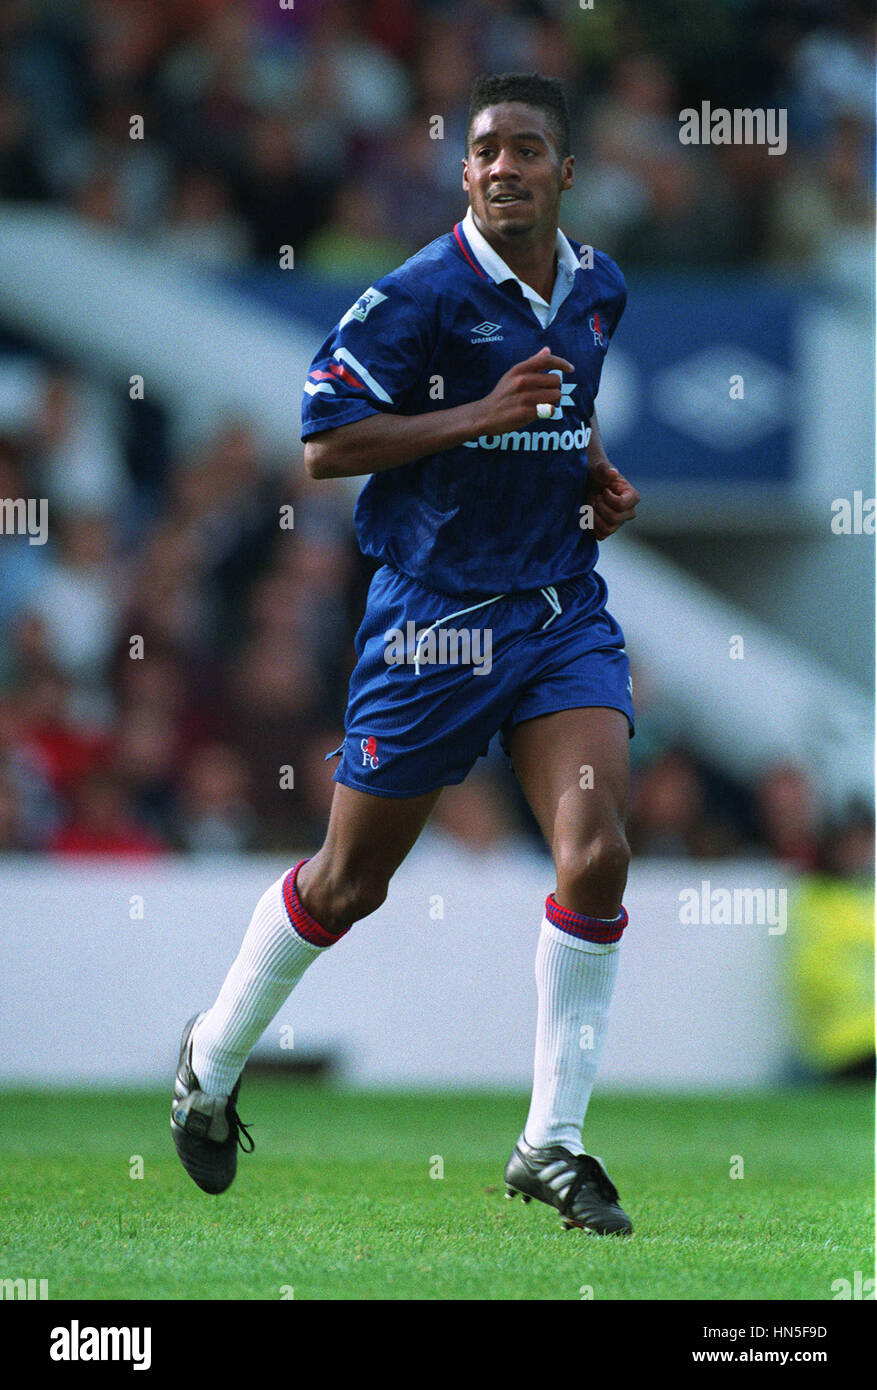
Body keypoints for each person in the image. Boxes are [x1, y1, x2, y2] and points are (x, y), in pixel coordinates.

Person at [171, 72, 640, 1236]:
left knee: (596, 855)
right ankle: (211, 1059)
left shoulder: (597, 289)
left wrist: (589, 481)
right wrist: (476, 412)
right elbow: (325, 442)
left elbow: (559, 415)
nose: (501, 168)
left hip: (556, 611)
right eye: (484, 150)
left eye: (527, 149)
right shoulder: (419, 296)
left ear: (564, 173)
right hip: (431, 623)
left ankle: (551, 1144)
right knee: (350, 882)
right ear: (464, 170)